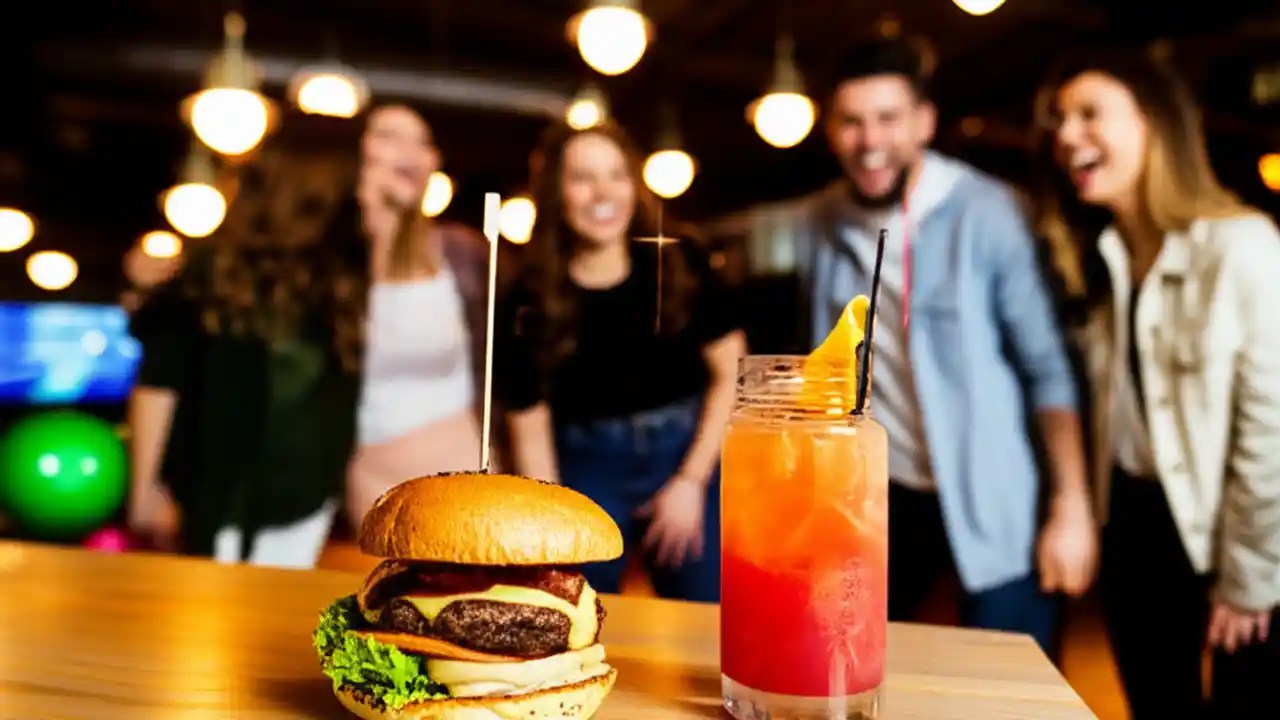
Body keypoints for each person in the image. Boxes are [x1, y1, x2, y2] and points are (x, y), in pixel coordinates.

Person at [780, 37, 1096, 653]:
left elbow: (1048, 371)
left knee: (1013, 684)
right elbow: (823, 373)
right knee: (853, 661)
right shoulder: (817, 221)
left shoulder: (989, 211)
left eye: (888, 119)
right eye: (851, 121)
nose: (870, 141)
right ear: (829, 128)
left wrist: (1071, 506)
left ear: (924, 122)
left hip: (996, 492)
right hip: (881, 494)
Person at [1034, 49, 1280, 719]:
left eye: (1089, 114)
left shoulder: (1242, 245)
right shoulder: (1102, 260)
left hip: (1231, 538)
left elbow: (1271, 430)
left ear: (1154, 126)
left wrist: (1253, 579)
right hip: (1137, 534)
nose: (1066, 135)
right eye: (1059, 120)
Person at [497, 120, 746, 603]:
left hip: (687, 450)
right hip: (585, 468)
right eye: (582, 178)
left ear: (635, 184)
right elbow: (529, 430)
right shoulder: (526, 299)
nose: (602, 192)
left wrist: (691, 482)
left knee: (710, 612)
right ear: (555, 194)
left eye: (616, 174)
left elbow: (731, 374)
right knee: (574, 609)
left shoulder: (682, 260)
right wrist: (552, 532)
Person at [127, 132, 363, 568]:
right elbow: (159, 381)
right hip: (217, 500)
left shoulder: (344, 281)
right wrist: (144, 489)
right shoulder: (212, 272)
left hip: (306, 503)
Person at [343, 105, 496, 529]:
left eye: (422, 142)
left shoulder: (463, 252)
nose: (410, 150)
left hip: (464, 472)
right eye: (391, 136)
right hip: (374, 479)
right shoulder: (336, 261)